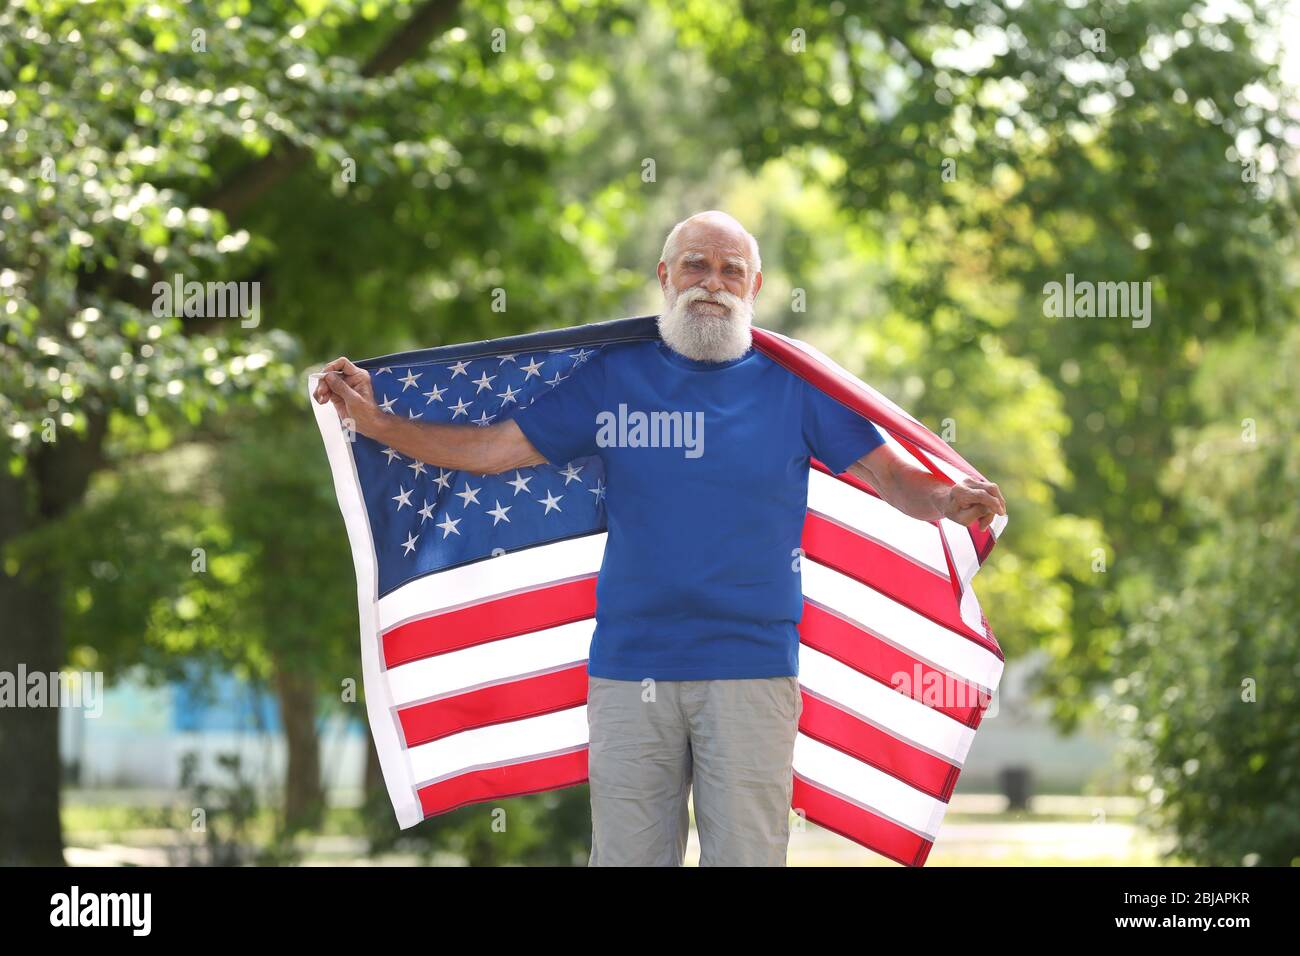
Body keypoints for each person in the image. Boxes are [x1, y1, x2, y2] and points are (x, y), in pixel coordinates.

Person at [314, 210, 1005, 866]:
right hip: (630, 668)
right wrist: (379, 426)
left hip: (752, 671)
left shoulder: (795, 387)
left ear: (755, 288)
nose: (713, 283)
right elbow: (494, 449)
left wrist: (947, 499)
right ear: (664, 276)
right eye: (696, 266)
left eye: (732, 271)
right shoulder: (616, 377)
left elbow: (892, 480)